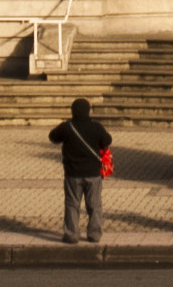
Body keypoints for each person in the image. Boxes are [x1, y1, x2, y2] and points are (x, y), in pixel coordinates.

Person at [47, 96, 112, 245]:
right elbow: (107, 141)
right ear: (89, 111)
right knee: (94, 204)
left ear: (73, 111)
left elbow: (52, 137)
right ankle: (94, 234)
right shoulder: (96, 127)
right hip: (93, 174)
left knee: (72, 204)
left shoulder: (67, 127)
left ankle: (71, 235)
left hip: (72, 174)